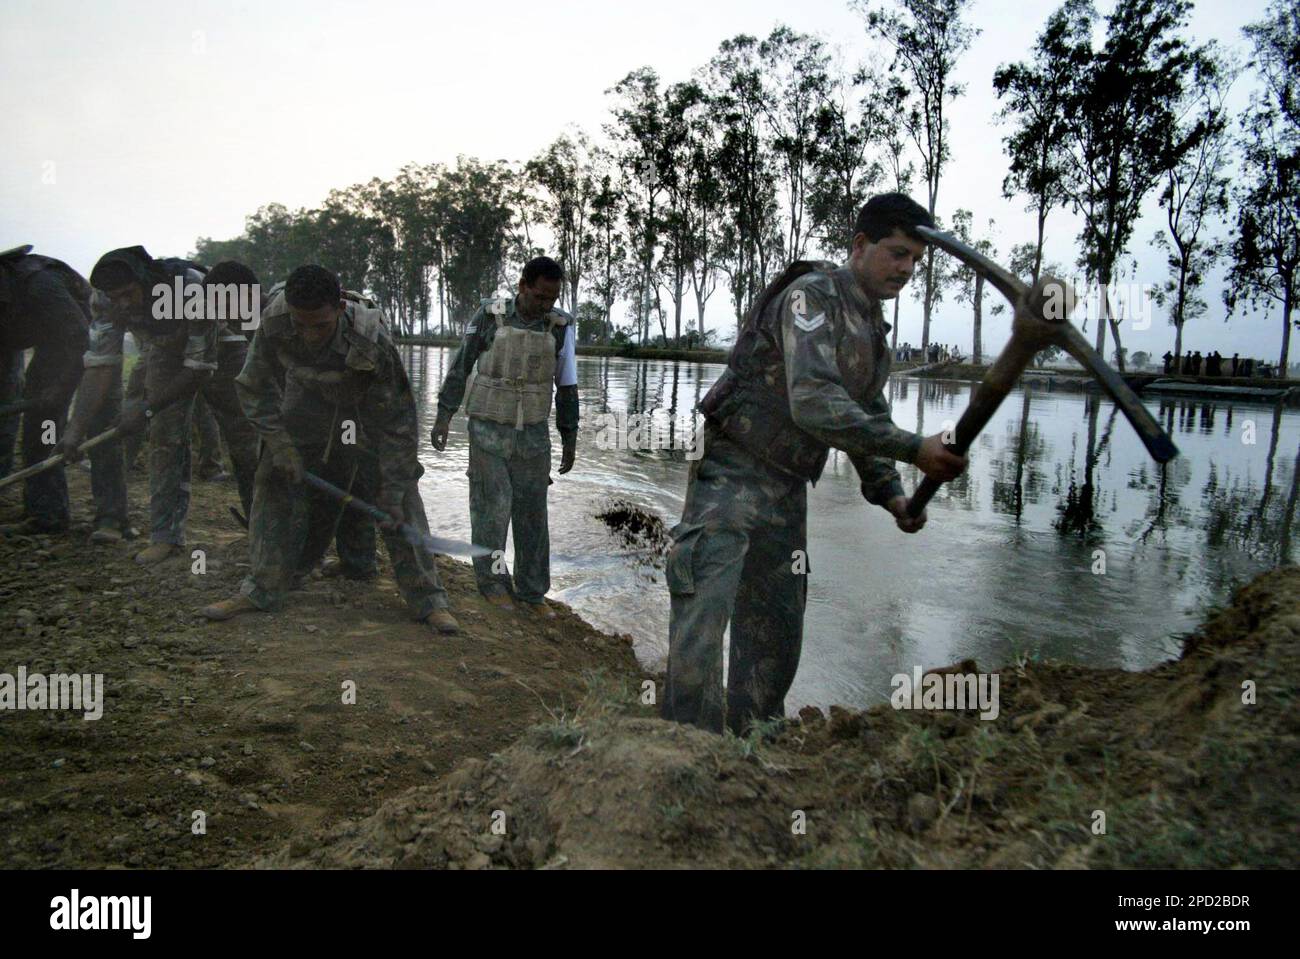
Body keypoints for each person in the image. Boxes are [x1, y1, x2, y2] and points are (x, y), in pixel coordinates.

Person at [660, 193, 969, 735]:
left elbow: (866, 409)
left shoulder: (872, 330)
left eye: (915, 261)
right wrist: (917, 446)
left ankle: (754, 737)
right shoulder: (812, 296)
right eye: (897, 253)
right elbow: (816, 403)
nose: (906, 269)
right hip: (731, 467)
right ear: (859, 245)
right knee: (704, 607)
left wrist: (893, 493)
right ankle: (686, 742)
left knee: (777, 621)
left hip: (786, 483)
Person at [200, 265, 459, 634]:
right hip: (306, 402)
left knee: (399, 501)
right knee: (271, 477)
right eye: (300, 325)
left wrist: (393, 485)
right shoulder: (273, 323)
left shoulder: (371, 339)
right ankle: (262, 589)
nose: (309, 336)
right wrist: (281, 445)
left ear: (339, 308)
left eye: (319, 326)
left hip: (366, 409)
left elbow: (399, 421)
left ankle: (429, 600)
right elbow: (253, 388)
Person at [55, 248, 258, 561]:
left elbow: (198, 370)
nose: (122, 303)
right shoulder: (103, 301)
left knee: (244, 439)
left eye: (128, 294)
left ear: (145, 282)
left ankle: (263, 531)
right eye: (115, 296)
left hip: (222, 346)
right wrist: (75, 429)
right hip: (164, 350)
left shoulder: (190, 289)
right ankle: (166, 536)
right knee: (165, 439)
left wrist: (146, 409)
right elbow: (100, 365)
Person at [430, 255, 579, 618]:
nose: (546, 304)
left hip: (532, 437)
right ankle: (493, 583)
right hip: (486, 431)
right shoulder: (489, 316)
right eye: (540, 296)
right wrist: (443, 415)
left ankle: (531, 592)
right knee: (491, 510)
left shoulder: (560, 327)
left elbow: (568, 386)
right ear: (523, 286)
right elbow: (461, 366)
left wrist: (569, 437)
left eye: (552, 297)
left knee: (532, 514)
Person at [0, 246, 91, 534]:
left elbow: (79, 337)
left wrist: (59, 389)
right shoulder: (9, 287)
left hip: (65, 347)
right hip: (30, 341)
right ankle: (25, 501)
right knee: (20, 426)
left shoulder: (41, 284)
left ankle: (49, 515)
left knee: (44, 429)